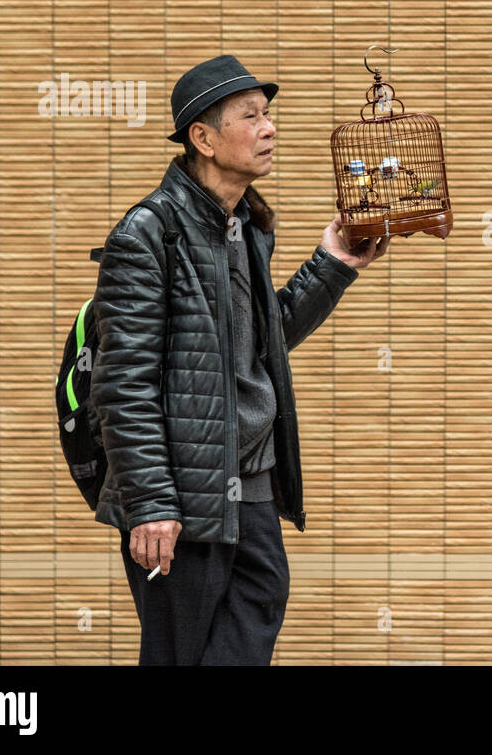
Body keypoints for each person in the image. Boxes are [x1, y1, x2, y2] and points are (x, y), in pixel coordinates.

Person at [90, 54, 389, 665]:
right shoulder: (147, 234)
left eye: (268, 115)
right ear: (202, 138)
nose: (269, 128)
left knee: (256, 612)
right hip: (183, 489)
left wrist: (333, 263)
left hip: (249, 483)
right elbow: (123, 385)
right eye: (250, 117)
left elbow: (263, 337)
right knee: (182, 650)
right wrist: (150, 504)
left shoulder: (243, 228)